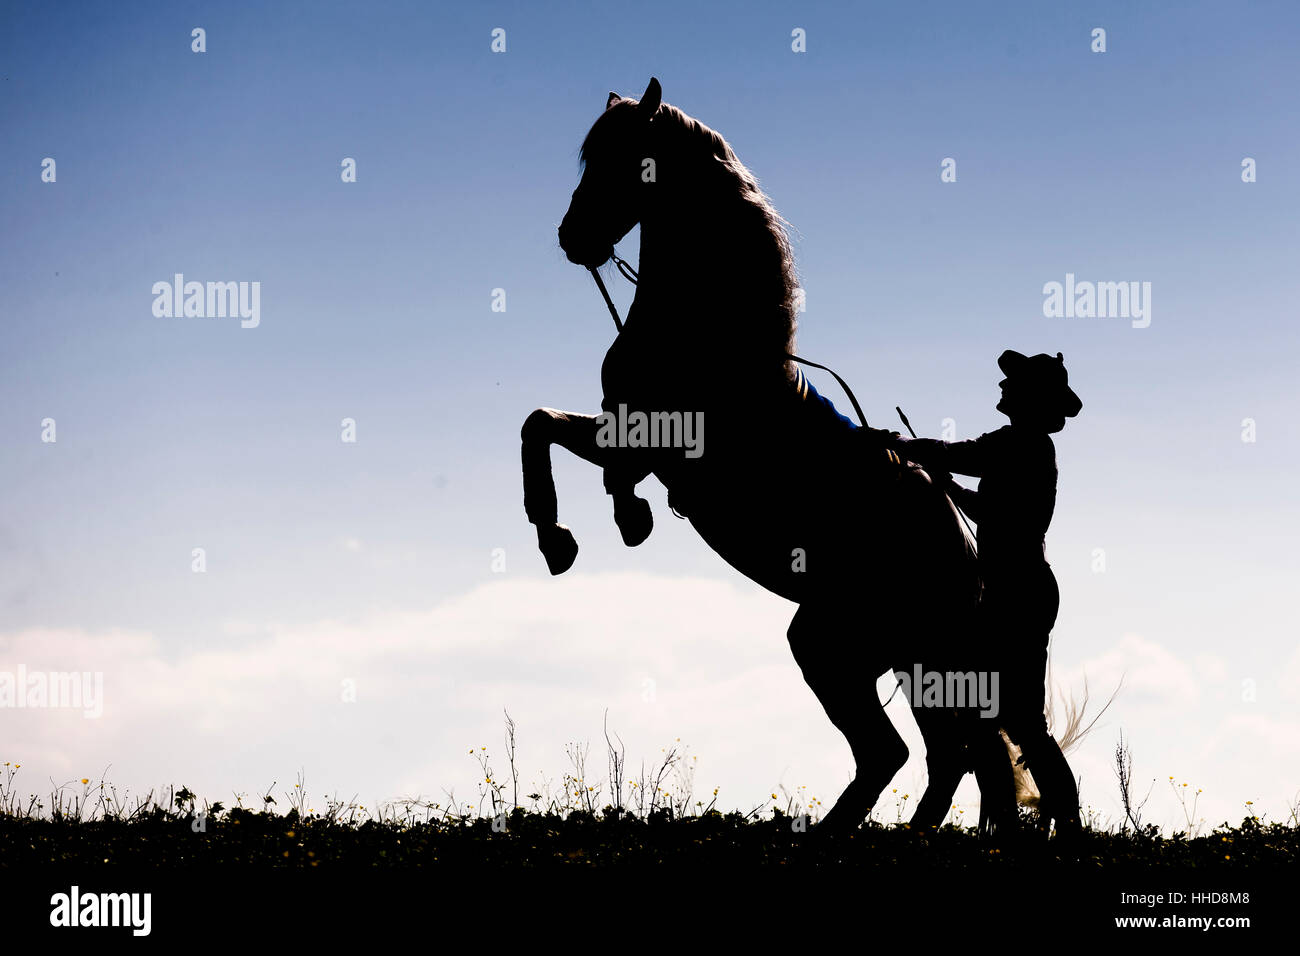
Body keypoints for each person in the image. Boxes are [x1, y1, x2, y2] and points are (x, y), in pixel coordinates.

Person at [889, 350, 1083, 841]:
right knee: (1014, 719)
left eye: (1010, 384)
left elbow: (956, 454)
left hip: (1012, 594)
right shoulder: (1030, 448)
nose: (1001, 389)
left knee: (1001, 716)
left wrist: (900, 447)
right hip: (1024, 589)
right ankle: (1045, 824)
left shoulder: (1014, 443)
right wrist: (950, 486)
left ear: (1028, 398)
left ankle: (1030, 823)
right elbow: (990, 508)